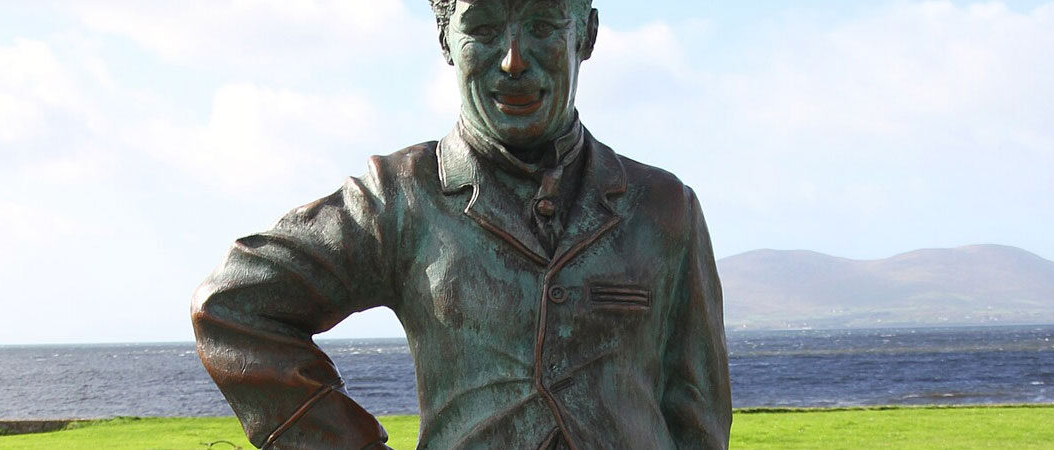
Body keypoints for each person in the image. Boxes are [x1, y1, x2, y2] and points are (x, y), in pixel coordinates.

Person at [191, 1, 731, 448]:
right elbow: (232, 305)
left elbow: (699, 415)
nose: (513, 60)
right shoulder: (400, 197)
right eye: (484, 29)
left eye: (543, 26)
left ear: (586, 33)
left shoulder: (664, 208)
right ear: (446, 38)